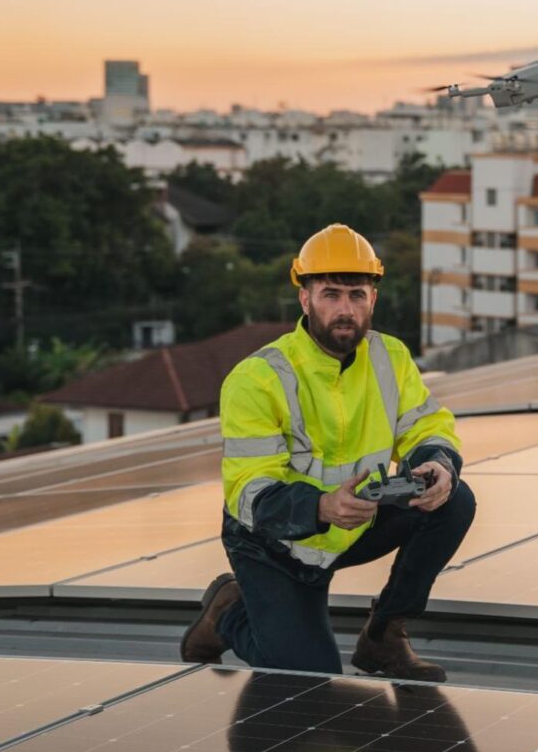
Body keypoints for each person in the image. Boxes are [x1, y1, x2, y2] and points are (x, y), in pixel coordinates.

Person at [180, 223, 476, 678]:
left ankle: (384, 636)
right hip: (274, 543)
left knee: (454, 499)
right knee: (310, 678)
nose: (345, 309)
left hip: (353, 522)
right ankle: (228, 615)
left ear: (373, 299)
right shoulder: (256, 379)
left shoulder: (390, 357)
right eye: (331, 294)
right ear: (305, 299)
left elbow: (426, 426)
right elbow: (249, 490)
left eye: (357, 295)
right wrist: (321, 507)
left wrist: (436, 464)